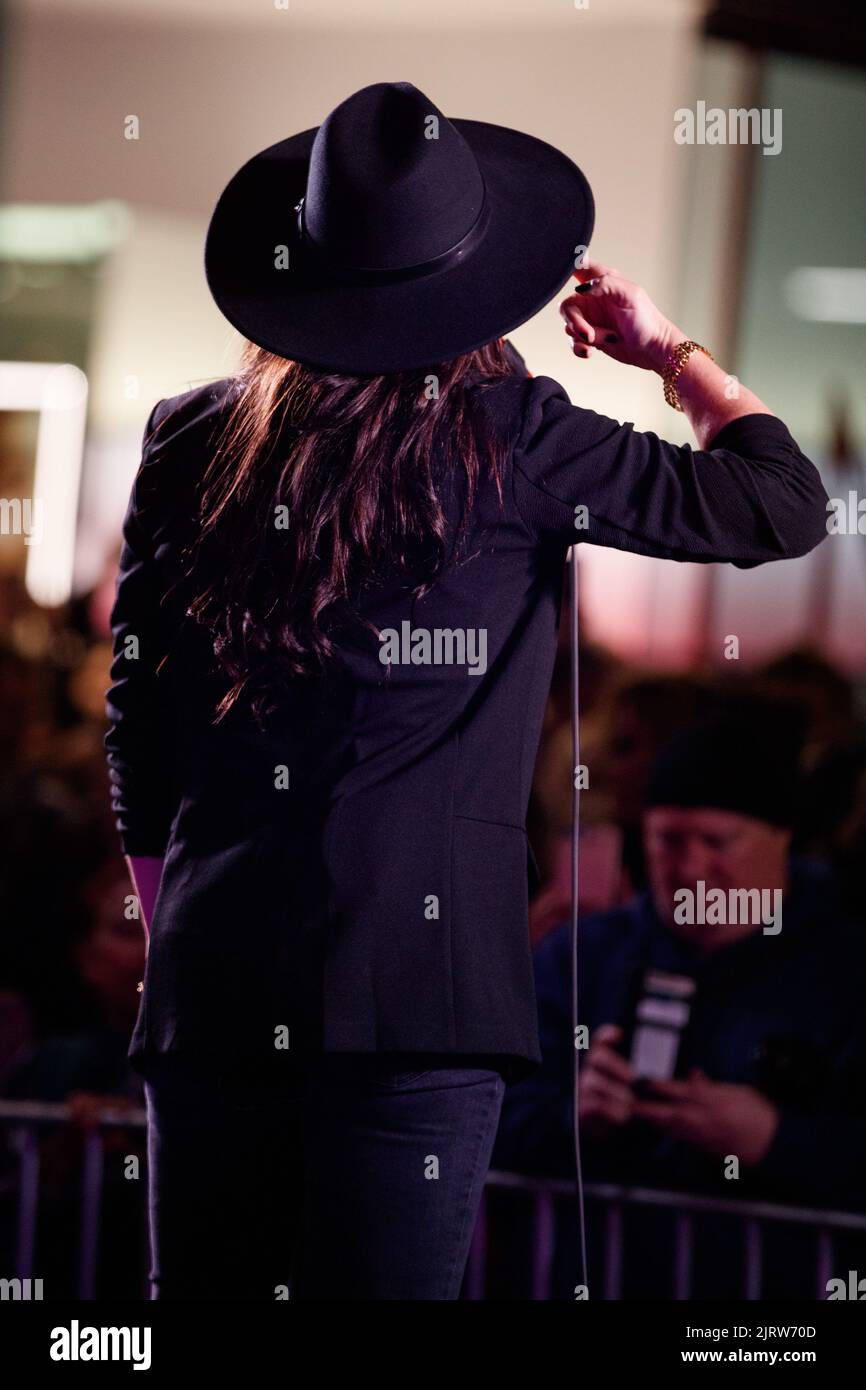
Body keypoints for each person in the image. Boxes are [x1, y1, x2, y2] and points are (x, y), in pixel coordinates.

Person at [104, 80, 830, 1300]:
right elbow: (781, 503)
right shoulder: (516, 435)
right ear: (472, 278)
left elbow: (138, 725)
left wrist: (173, 924)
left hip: (212, 993)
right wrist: (667, 355)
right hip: (421, 1008)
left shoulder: (189, 437)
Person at [492, 712, 866, 1297]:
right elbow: (480, 1117)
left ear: (780, 836)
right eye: (669, 840)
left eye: (717, 842)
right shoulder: (580, 957)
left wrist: (775, 1139)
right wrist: (575, 1121)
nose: (691, 869)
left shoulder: (845, 970)